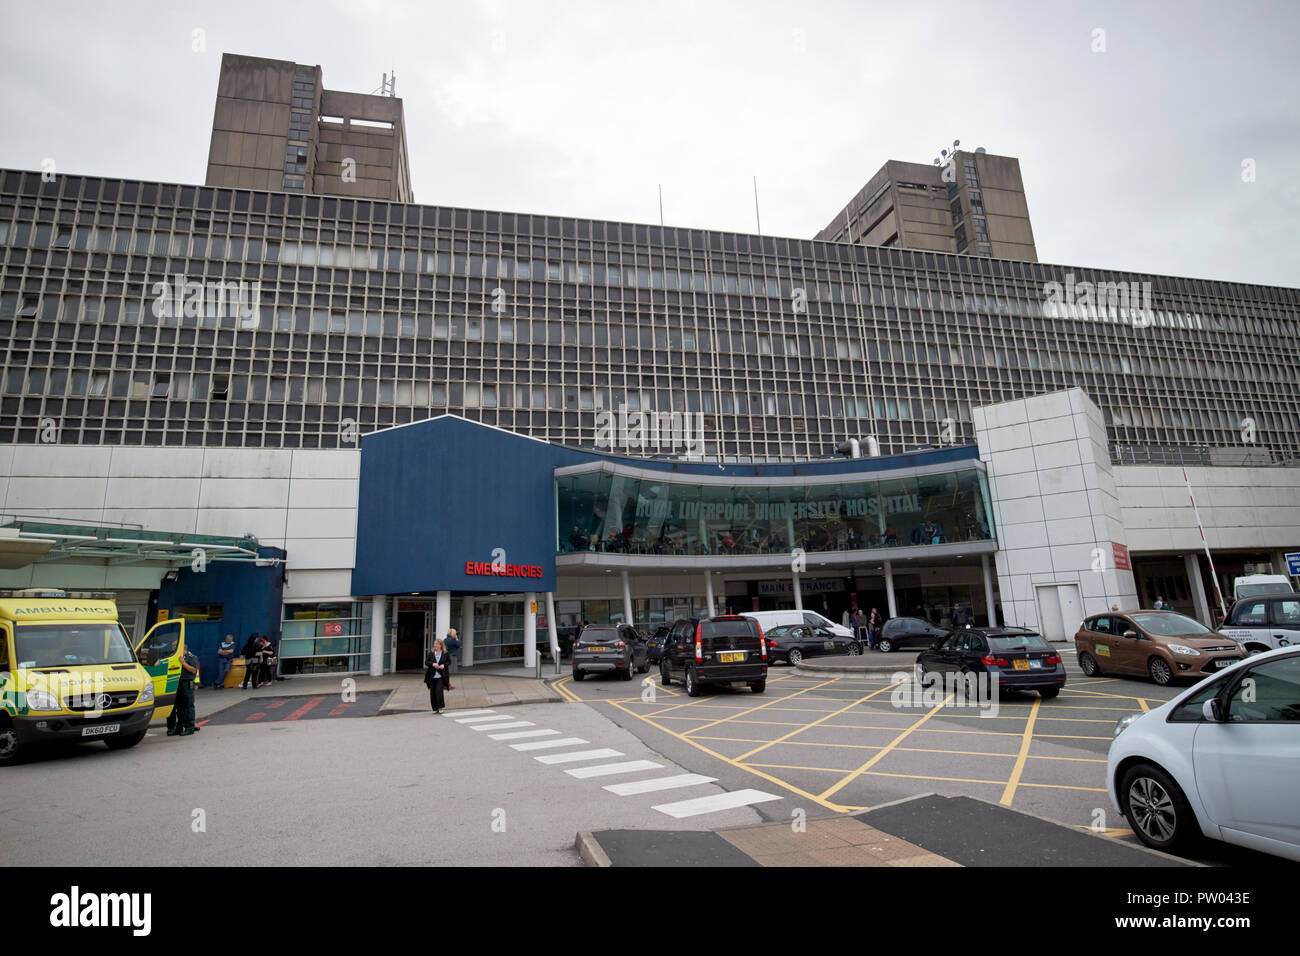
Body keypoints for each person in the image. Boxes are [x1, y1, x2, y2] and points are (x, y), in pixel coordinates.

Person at [170, 645, 200, 736]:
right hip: (177, 683)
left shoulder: (192, 657)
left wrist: (183, 663)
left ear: (183, 649)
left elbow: (193, 670)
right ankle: (179, 728)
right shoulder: (175, 657)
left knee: (188, 706)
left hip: (187, 683)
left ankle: (190, 727)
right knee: (179, 707)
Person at [425, 638, 449, 714]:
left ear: (440, 645)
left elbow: (449, 661)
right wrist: (433, 664)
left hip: (441, 676)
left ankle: (440, 707)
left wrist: (443, 665)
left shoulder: (445, 653)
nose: (435, 645)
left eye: (437, 644)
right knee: (432, 693)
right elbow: (426, 662)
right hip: (432, 677)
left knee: (439, 691)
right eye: (434, 644)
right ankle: (435, 708)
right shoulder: (431, 653)